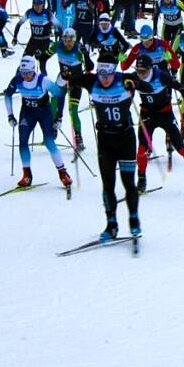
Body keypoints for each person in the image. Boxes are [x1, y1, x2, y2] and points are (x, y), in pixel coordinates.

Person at [65, 61, 143, 242]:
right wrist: (66, 76)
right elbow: (72, 80)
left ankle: (133, 220)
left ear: (113, 73)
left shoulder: (123, 79)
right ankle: (111, 225)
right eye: (101, 76)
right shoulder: (92, 81)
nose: (104, 80)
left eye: (107, 76)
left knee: (128, 183)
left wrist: (136, 83)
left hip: (126, 138)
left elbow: (143, 81)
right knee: (108, 184)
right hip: (105, 140)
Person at [128, 53, 184, 196]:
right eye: (138, 71)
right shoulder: (133, 77)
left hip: (165, 114)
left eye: (143, 72)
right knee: (141, 150)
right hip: (147, 115)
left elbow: (182, 89)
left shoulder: (161, 76)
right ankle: (142, 180)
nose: (140, 74)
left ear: (150, 68)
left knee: (183, 150)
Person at [3, 55, 72, 189]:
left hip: (44, 111)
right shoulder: (17, 79)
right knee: (22, 141)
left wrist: (59, 117)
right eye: (23, 73)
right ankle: (27, 174)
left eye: (28, 73)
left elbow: (59, 94)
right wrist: (10, 115)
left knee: (49, 141)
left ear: (34, 69)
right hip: (27, 112)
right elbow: (7, 95)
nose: (25, 76)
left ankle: (63, 172)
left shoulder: (43, 80)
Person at [12, 0, 61, 73]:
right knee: (24, 61)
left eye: (40, 4)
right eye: (35, 4)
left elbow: (59, 26)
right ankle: (18, 80)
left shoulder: (48, 13)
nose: (38, 7)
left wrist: (61, 39)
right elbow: (19, 24)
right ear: (33, 4)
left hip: (44, 42)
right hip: (33, 40)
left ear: (43, 4)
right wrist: (15, 37)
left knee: (42, 63)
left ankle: (44, 81)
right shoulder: (29, 12)